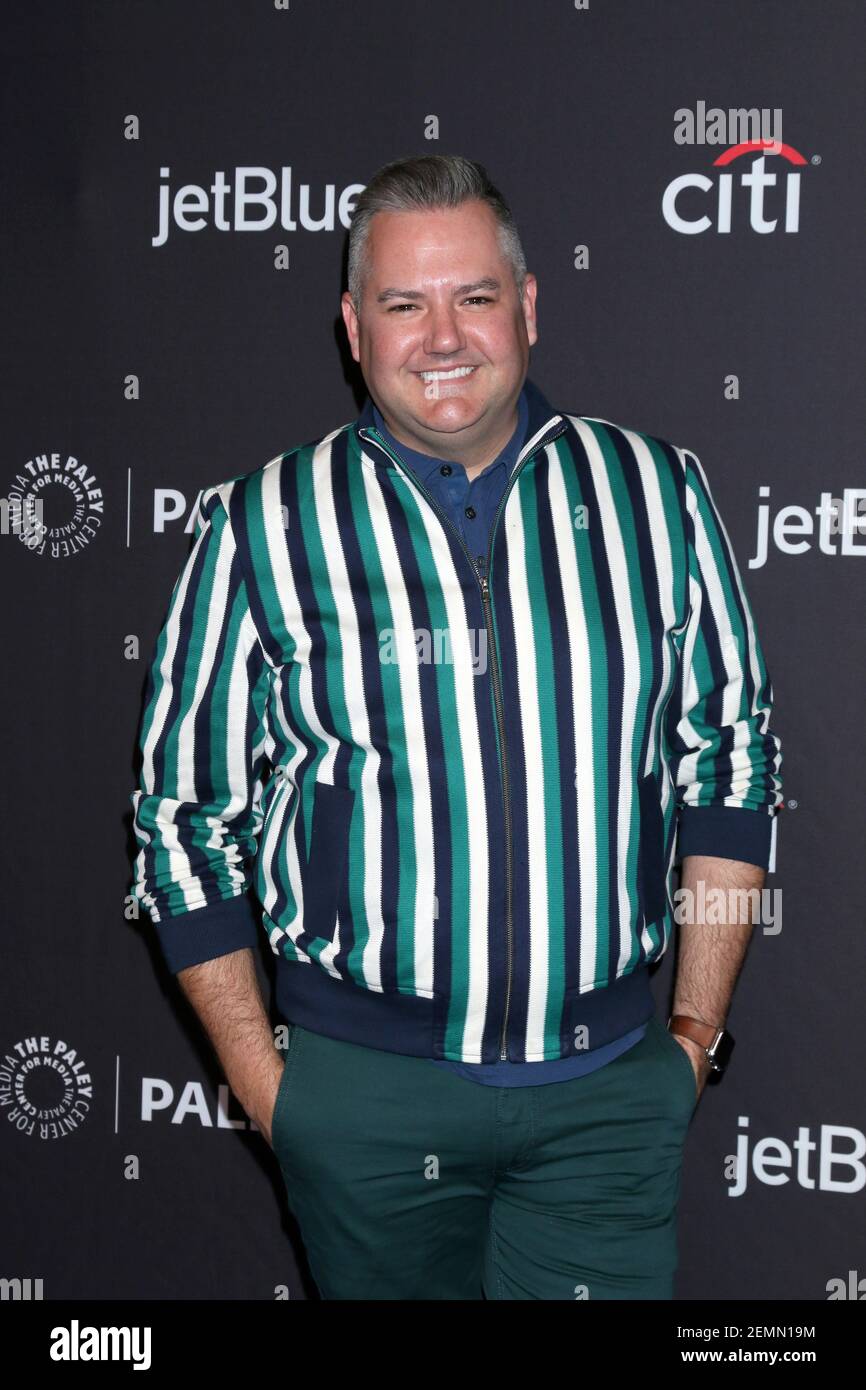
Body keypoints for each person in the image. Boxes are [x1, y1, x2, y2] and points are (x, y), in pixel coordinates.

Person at [130, 153, 784, 1300]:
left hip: (606, 1094)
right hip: (363, 1099)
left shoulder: (655, 495)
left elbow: (726, 765)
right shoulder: (261, 527)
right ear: (351, 327)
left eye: (473, 296)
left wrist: (689, 1034)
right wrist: (268, 1085)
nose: (442, 337)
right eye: (402, 304)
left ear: (526, 308)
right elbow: (185, 820)